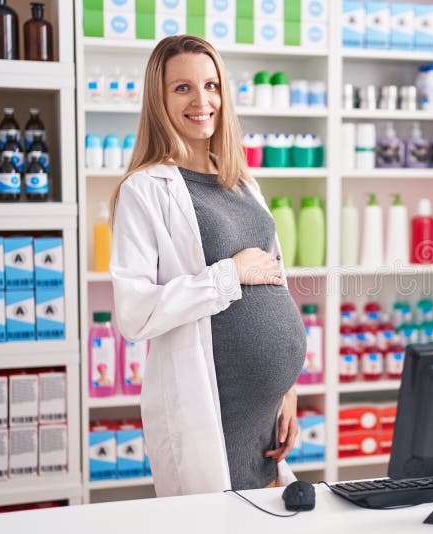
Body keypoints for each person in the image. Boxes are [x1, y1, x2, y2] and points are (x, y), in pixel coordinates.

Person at [109, 35, 306, 495]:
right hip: (213, 407)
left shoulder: (241, 182)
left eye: (211, 85)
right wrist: (228, 275)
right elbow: (135, 313)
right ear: (159, 99)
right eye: (182, 88)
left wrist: (287, 387)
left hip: (266, 412)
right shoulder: (145, 189)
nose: (202, 101)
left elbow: (272, 276)